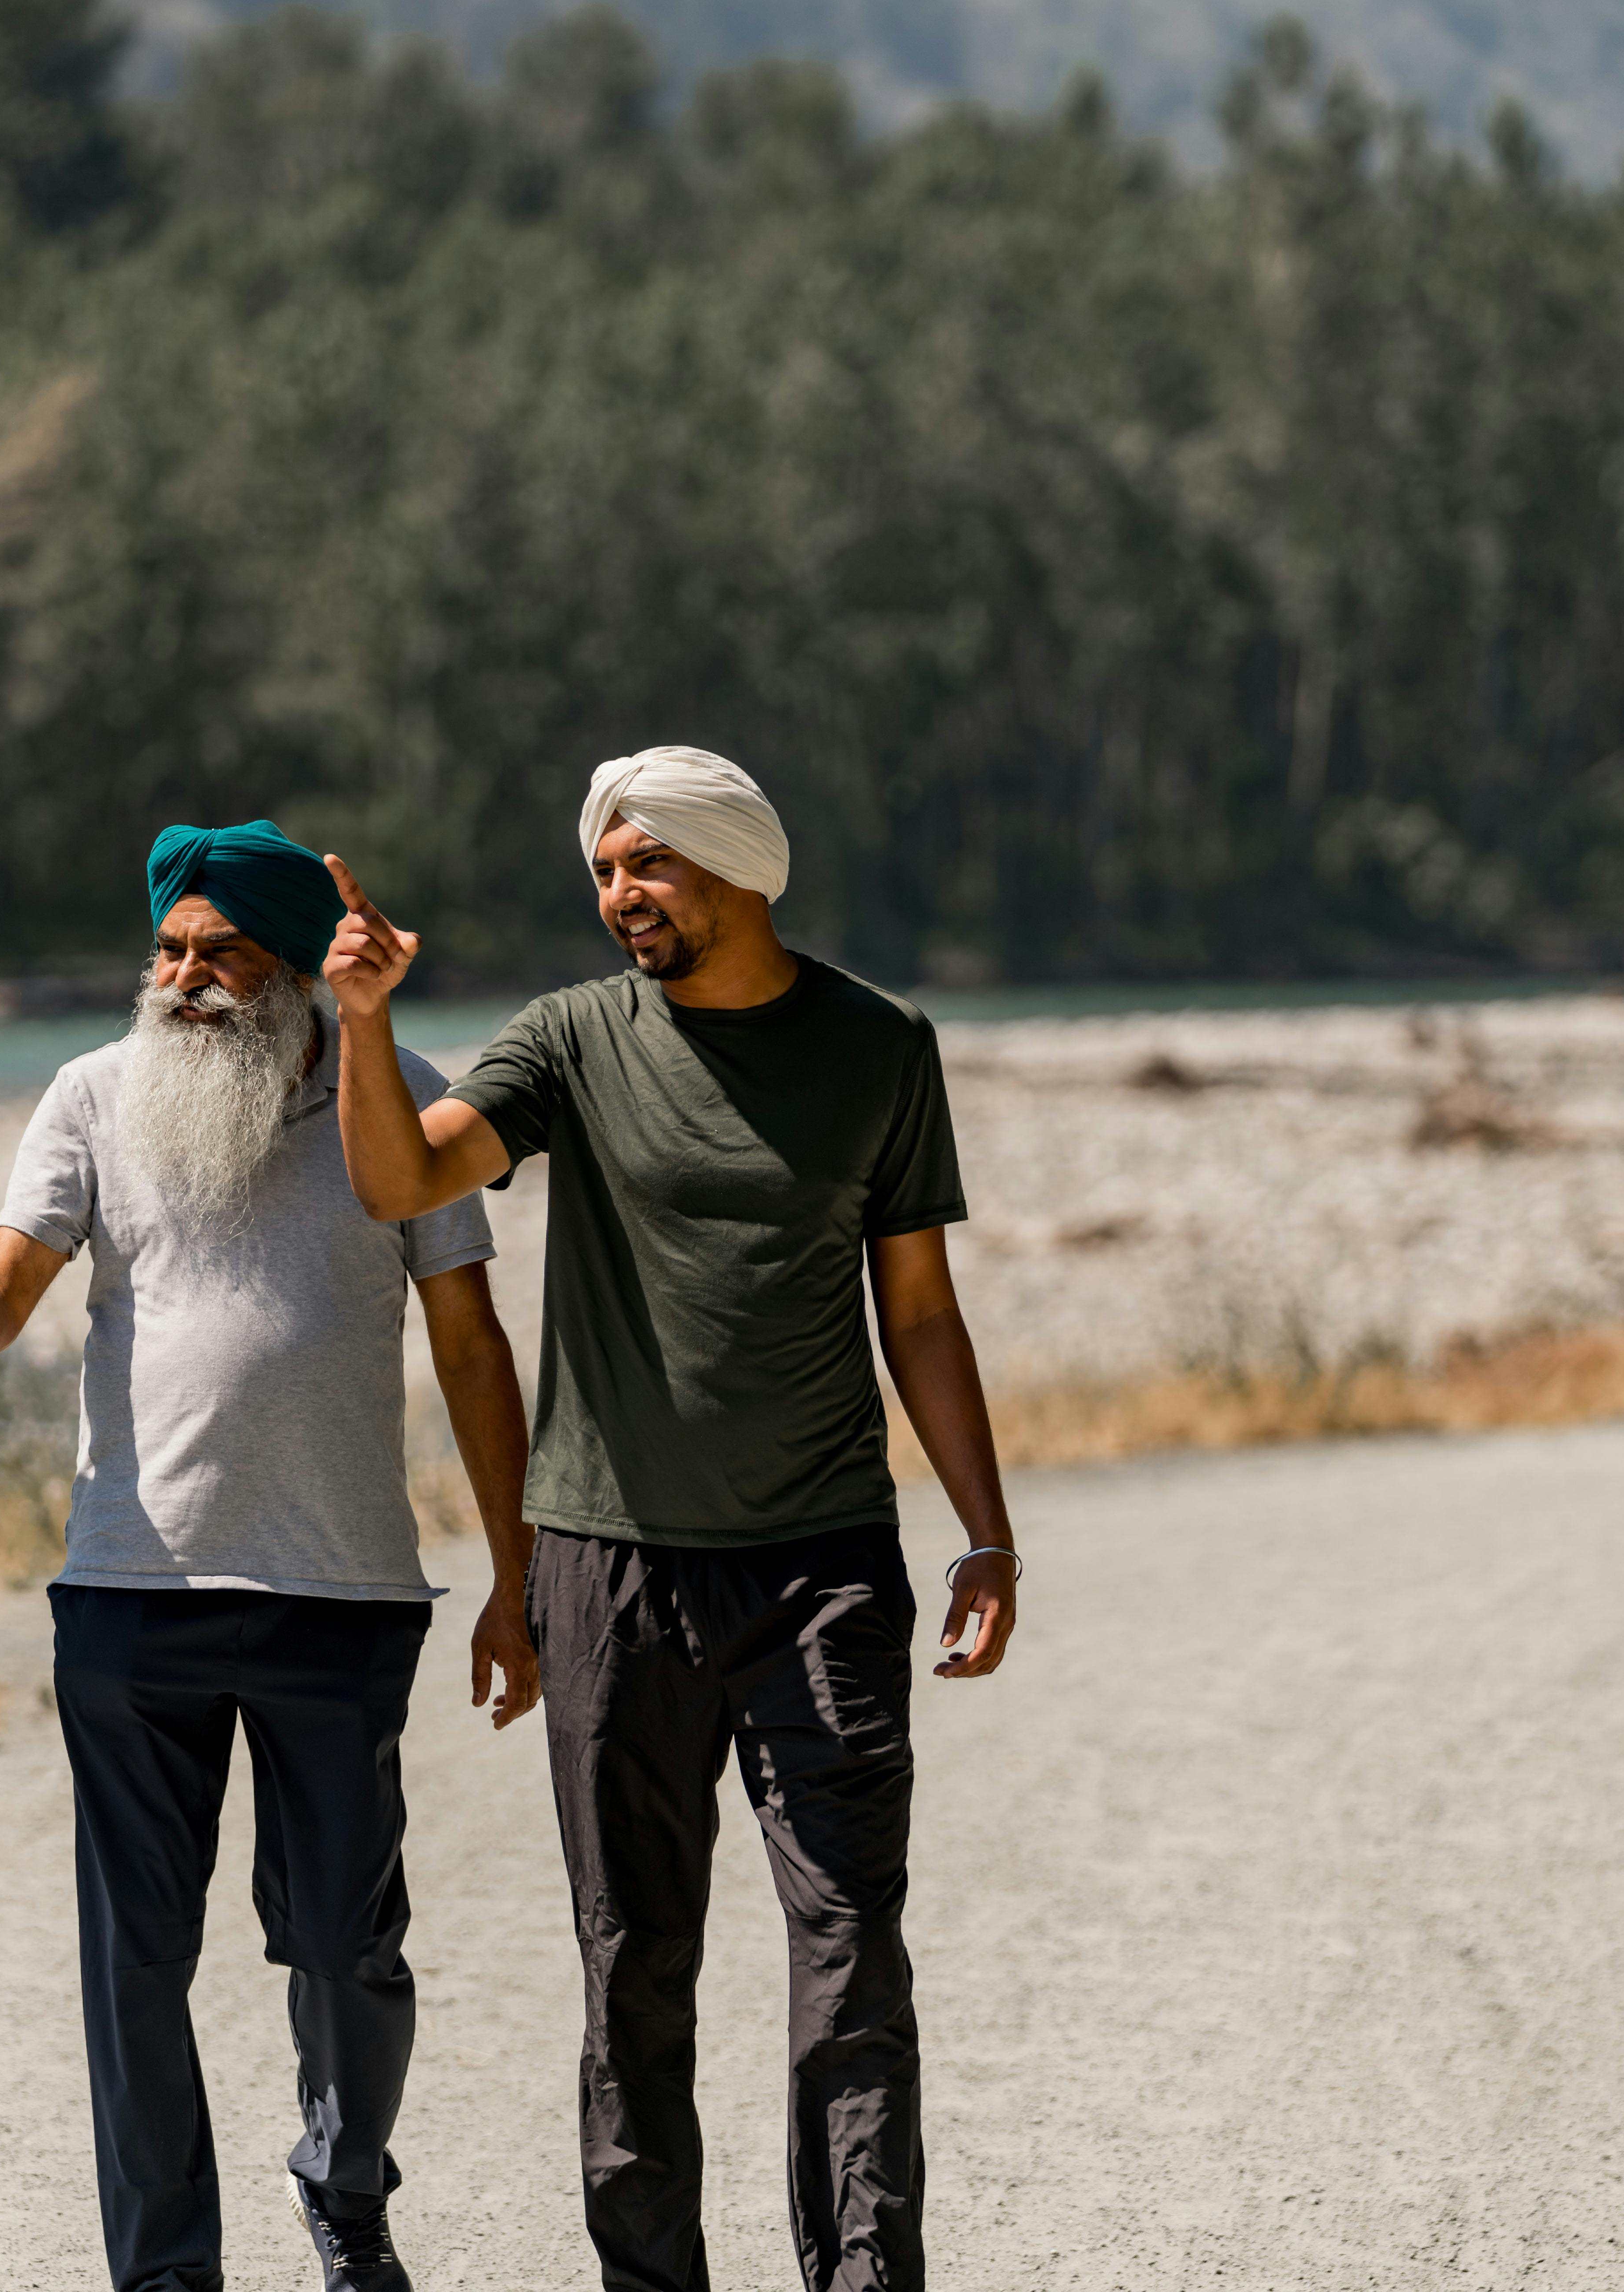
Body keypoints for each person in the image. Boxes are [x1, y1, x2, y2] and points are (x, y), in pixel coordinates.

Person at [325, 748, 1020, 2292]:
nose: (619, 894)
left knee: (851, 1949)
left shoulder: (880, 1046)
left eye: (648, 864)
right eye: (604, 870)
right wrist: (364, 1023)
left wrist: (985, 1529)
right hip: (609, 1572)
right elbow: (400, 1181)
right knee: (634, 1965)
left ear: (738, 868)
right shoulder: (571, 1039)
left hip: (826, 1568)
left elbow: (918, 1310)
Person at [0, 820, 536, 2292]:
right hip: (130, 1593)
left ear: (295, 971)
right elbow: (0, 1303)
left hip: (343, 1596)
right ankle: (166, 2272)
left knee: (348, 1946)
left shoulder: (405, 1097)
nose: (182, 978)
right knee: (136, 1962)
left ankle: (347, 2187)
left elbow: (473, 1347)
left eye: (220, 954)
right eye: (168, 950)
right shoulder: (95, 1095)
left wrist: (515, 1575)